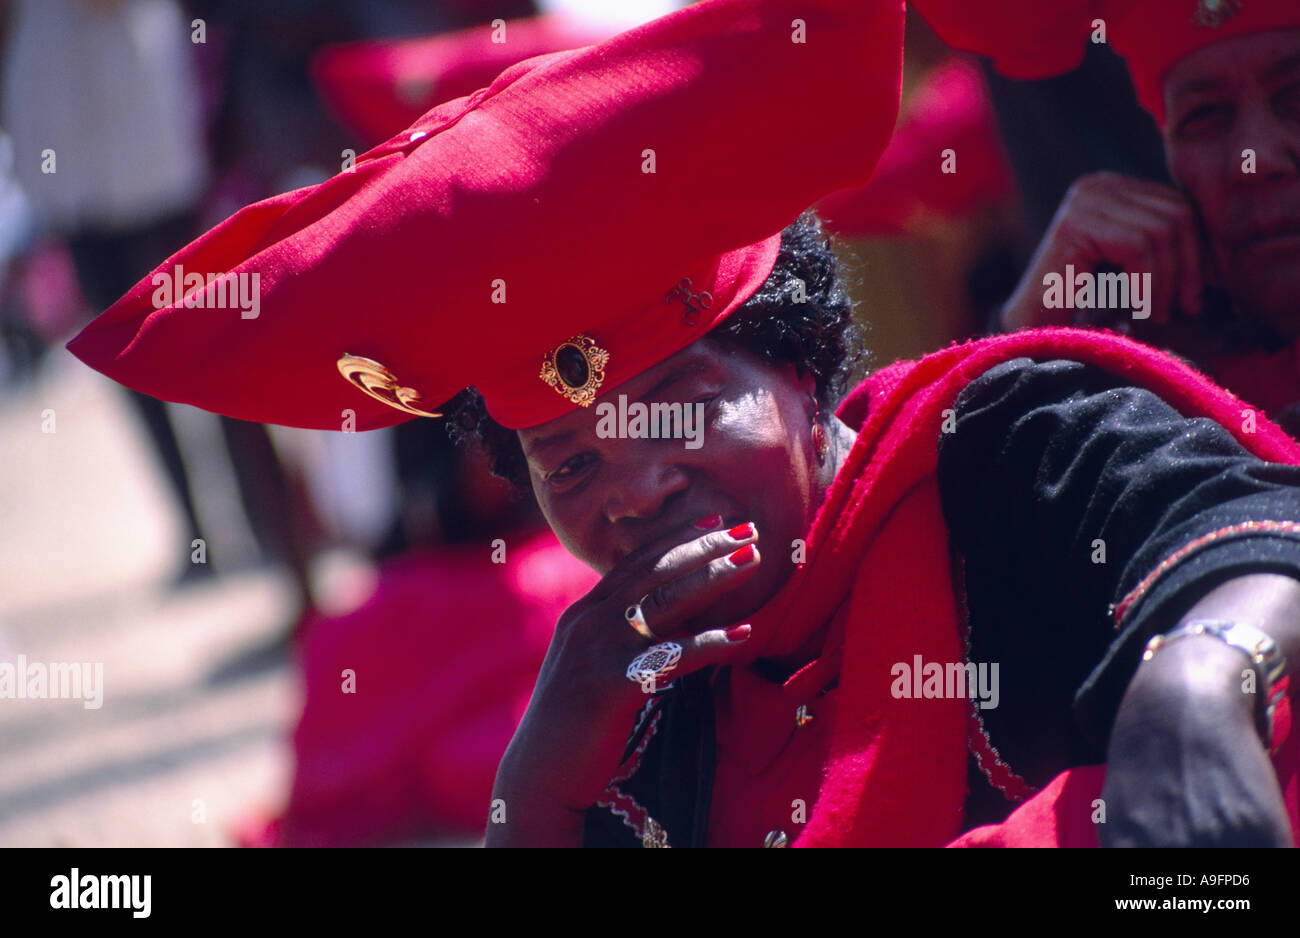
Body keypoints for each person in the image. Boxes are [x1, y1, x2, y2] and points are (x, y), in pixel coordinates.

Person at [65, 0, 1300, 847]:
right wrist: (537, 784)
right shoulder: (647, 701)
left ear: (807, 371)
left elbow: (1249, 528)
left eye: (681, 403)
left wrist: (1199, 679)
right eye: (569, 459)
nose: (637, 488)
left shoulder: (1003, 439)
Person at [912, 0, 1300, 429]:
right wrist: (1024, 328)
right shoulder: (1136, 385)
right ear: (1170, 159)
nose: (1258, 158)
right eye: (1205, 116)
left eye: (1295, 99)